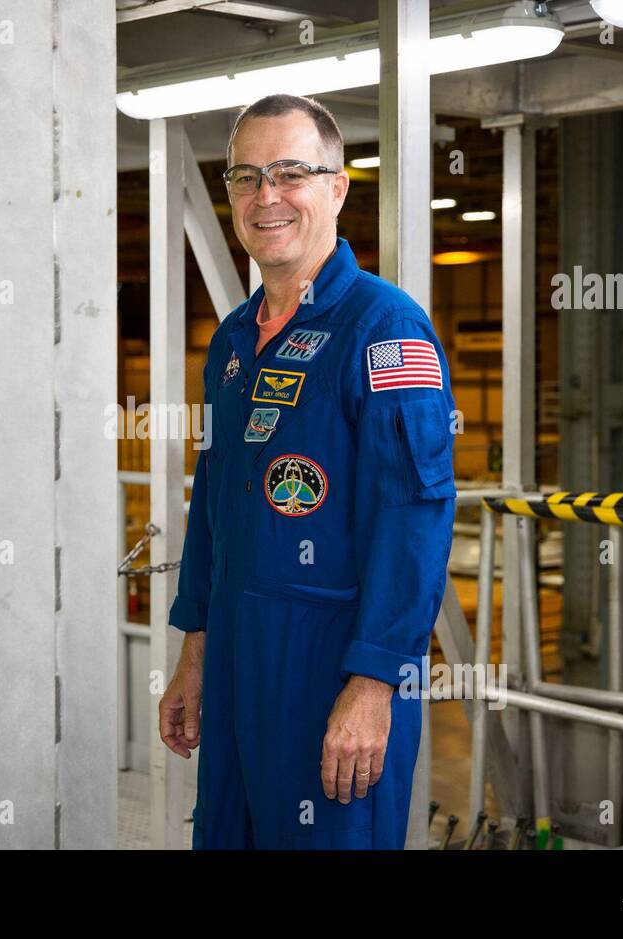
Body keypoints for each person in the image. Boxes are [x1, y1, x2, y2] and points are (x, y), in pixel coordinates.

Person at [158, 93, 457, 849]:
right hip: (234, 657)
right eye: (246, 176)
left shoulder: (383, 328)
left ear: (337, 187)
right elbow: (215, 507)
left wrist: (375, 681)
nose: (268, 195)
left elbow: (414, 514)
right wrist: (195, 647)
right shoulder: (231, 345)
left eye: (291, 172)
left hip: (330, 666)